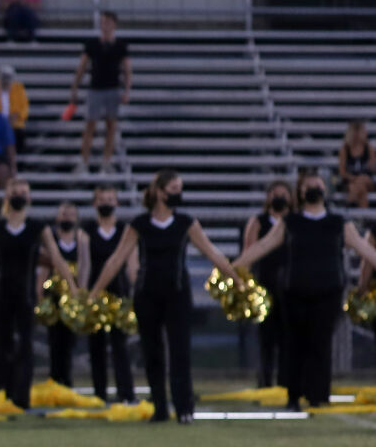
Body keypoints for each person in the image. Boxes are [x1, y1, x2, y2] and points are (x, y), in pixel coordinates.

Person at [89, 169, 238, 423]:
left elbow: (212, 252)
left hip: (177, 294)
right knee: (152, 353)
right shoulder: (139, 224)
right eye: (174, 190)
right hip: (146, 295)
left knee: (180, 353)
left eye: (180, 190)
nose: (178, 195)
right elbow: (116, 260)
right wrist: (94, 292)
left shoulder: (186, 223)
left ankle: (184, 408)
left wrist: (237, 279)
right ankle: (159, 407)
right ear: (160, 192)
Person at [237, 170, 376, 411]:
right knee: (295, 345)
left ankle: (318, 396)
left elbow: (365, 250)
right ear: (300, 192)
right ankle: (294, 396)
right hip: (295, 291)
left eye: (317, 185)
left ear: (324, 190)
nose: (313, 189)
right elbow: (263, 245)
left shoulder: (339, 223)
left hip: (328, 292)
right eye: (308, 185)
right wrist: (233, 267)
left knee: (321, 345)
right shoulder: (290, 222)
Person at [0, 179, 77, 409]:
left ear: (29, 198)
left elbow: (57, 258)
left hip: (26, 295)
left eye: (23, 192)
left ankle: (22, 397)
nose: (19, 196)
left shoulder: (38, 227)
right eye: (15, 192)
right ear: (8, 197)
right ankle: (10, 392)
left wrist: (72, 286)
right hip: (1, 295)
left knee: (26, 345)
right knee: (4, 345)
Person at [84, 183, 137, 404]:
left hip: (119, 293)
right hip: (95, 295)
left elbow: (132, 265)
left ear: (116, 202)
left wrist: (135, 292)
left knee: (120, 346)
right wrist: (85, 294)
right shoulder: (86, 230)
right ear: (94, 203)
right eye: (102, 200)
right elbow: (85, 263)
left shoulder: (125, 229)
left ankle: (126, 393)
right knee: (95, 346)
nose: (106, 204)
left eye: (110, 199)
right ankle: (100, 393)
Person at [242, 180, 293, 389]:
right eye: (275, 193)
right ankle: (265, 383)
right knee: (266, 338)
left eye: (283, 193)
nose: (279, 198)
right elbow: (250, 251)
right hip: (265, 285)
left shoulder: (294, 221)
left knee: (288, 337)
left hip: (291, 286)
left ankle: (287, 383)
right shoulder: (259, 221)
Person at [70, 11, 131, 173]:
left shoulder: (120, 45)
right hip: (95, 88)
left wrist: (127, 90)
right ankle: (84, 161)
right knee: (90, 126)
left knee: (111, 126)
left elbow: (127, 70)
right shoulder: (92, 44)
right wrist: (75, 86)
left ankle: (106, 161)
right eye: (103, 22)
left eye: (108, 22)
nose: (105, 25)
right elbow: (82, 66)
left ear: (114, 24)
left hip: (112, 88)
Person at [44, 201, 87, 388]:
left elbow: (85, 265)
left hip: (73, 296)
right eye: (63, 214)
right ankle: (54, 379)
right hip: (53, 295)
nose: (67, 218)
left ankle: (67, 380)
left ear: (76, 219)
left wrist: (80, 291)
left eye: (71, 214)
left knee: (69, 341)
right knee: (54, 339)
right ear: (57, 217)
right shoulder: (50, 238)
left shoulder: (81, 239)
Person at [0, 63, 28, 151]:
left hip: (14, 123)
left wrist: (17, 115)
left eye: (8, 77)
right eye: (4, 77)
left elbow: (24, 107)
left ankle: (18, 157)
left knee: (19, 134)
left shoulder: (18, 88)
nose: (6, 80)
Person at [337, 119, 372, 208]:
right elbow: (342, 172)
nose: (358, 134)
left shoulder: (369, 148)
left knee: (361, 182)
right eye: (356, 131)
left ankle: (347, 206)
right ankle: (363, 215)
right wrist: (356, 178)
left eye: (360, 131)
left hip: (367, 180)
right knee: (360, 188)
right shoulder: (345, 149)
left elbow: (373, 167)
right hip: (350, 181)